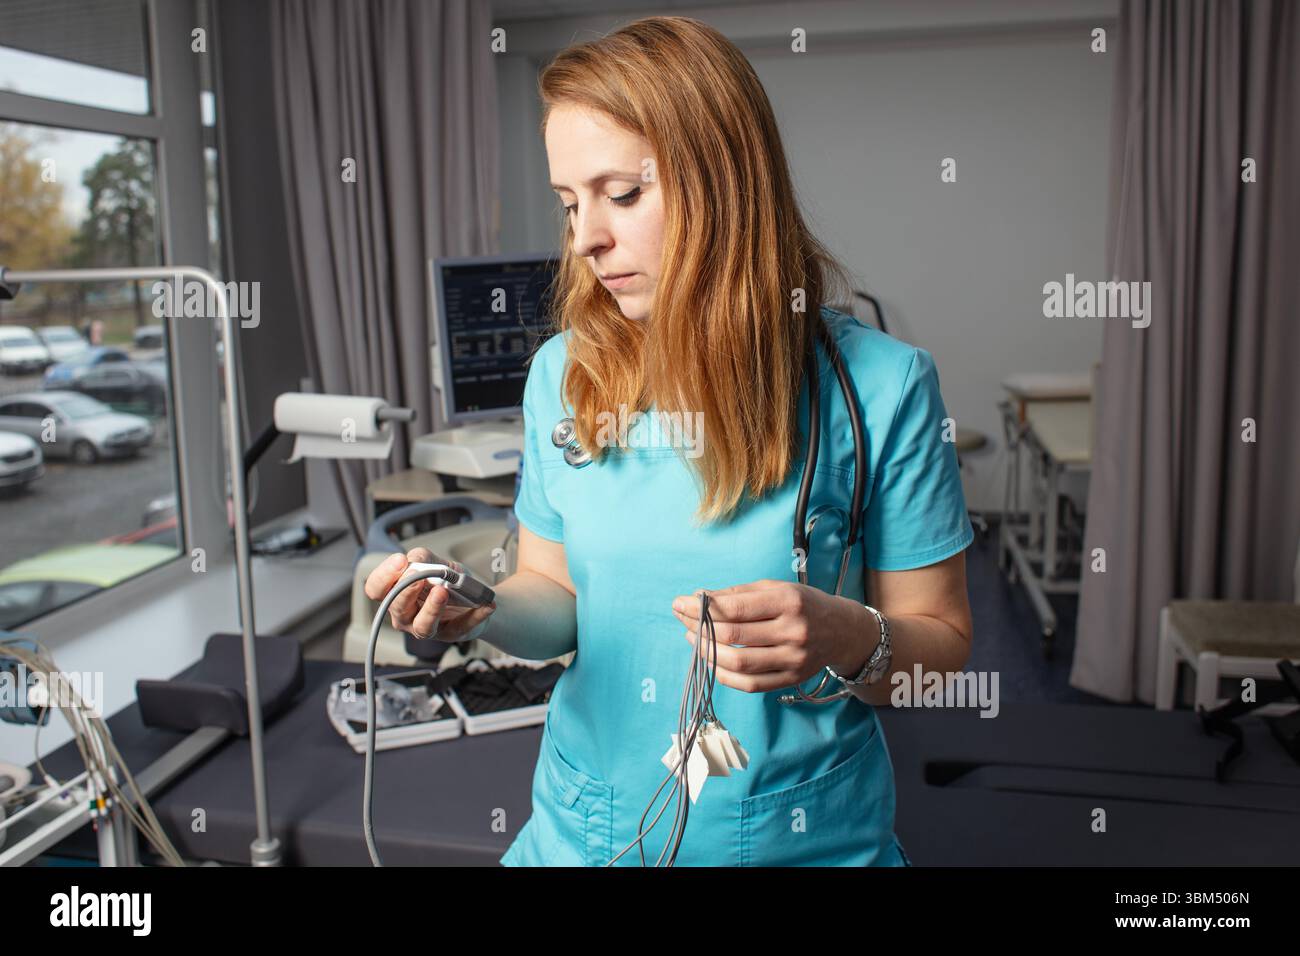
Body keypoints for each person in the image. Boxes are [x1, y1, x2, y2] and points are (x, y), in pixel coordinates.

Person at [366, 15, 973, 867]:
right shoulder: (562, 375)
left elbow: (937, 647)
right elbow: (554, 594)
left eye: (620, 193)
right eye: (569, 203)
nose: (586, 238)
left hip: (798, 837)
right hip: (584, 828)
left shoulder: (880, 387)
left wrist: (846, 638)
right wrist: (488, 611)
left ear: (725, 180)